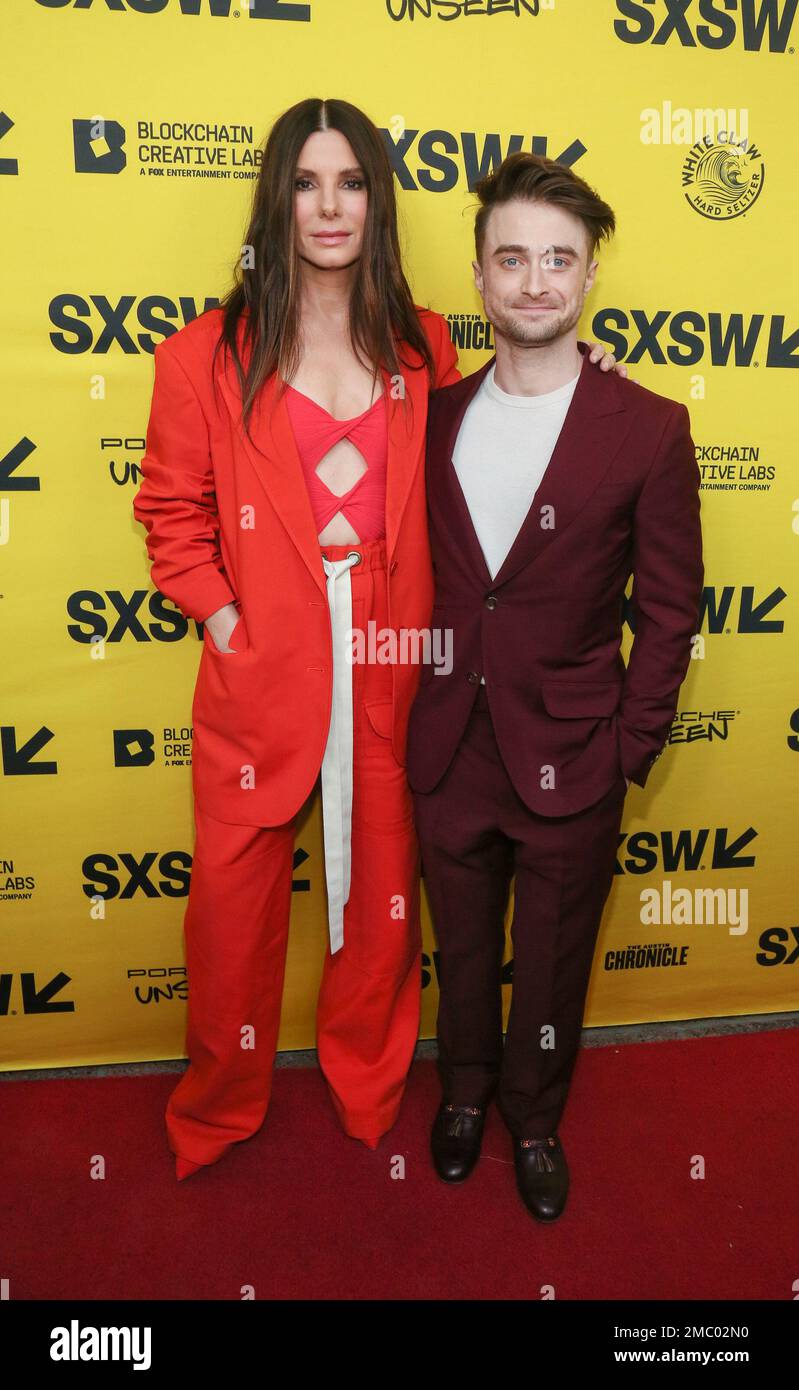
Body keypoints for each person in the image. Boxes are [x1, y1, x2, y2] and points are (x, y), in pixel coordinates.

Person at [133, 99, 624, 1182]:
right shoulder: (201, 356)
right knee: (228, 923)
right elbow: (171, 514)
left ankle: (369, 1090)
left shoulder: (425, 341)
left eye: (350, 181)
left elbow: (497, 436)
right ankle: (217, 1105)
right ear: (276, 196)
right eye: (306, 182)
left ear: (378, 200)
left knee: (386, 907)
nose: (328, 205)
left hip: (400, 672)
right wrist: (227, 619)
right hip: (260, 682)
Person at [406, 151, 703, 1222]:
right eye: (512, 258)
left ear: (587, 281)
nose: (535, 281)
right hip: (445, 744)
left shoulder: (650, 426)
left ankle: (532, 1118)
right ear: (479, 278)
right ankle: (463, 1092)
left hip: (576, 750)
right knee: (464, 945)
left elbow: (670, 609)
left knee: (551, 964)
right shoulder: (426, 418)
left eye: (558, 261)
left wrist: (629, 747)